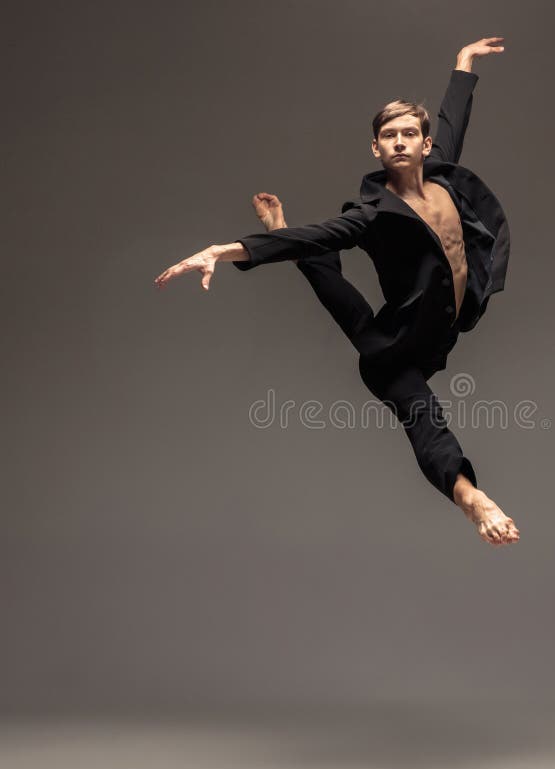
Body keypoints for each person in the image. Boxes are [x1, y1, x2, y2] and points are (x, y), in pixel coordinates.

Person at [155, 37, 520, 547]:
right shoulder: (372, 215)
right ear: (376, 148)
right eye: (388, 136)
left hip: (434, 328)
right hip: (392, 352)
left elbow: (453, 121)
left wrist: (463, 64)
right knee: (411, 399)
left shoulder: (444, 178)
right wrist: (224, 249)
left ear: (425, 145)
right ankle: (472, 498)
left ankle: (280, 227)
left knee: (341, 296)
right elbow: (317, 236)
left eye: (409, 134)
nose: (399, 142)